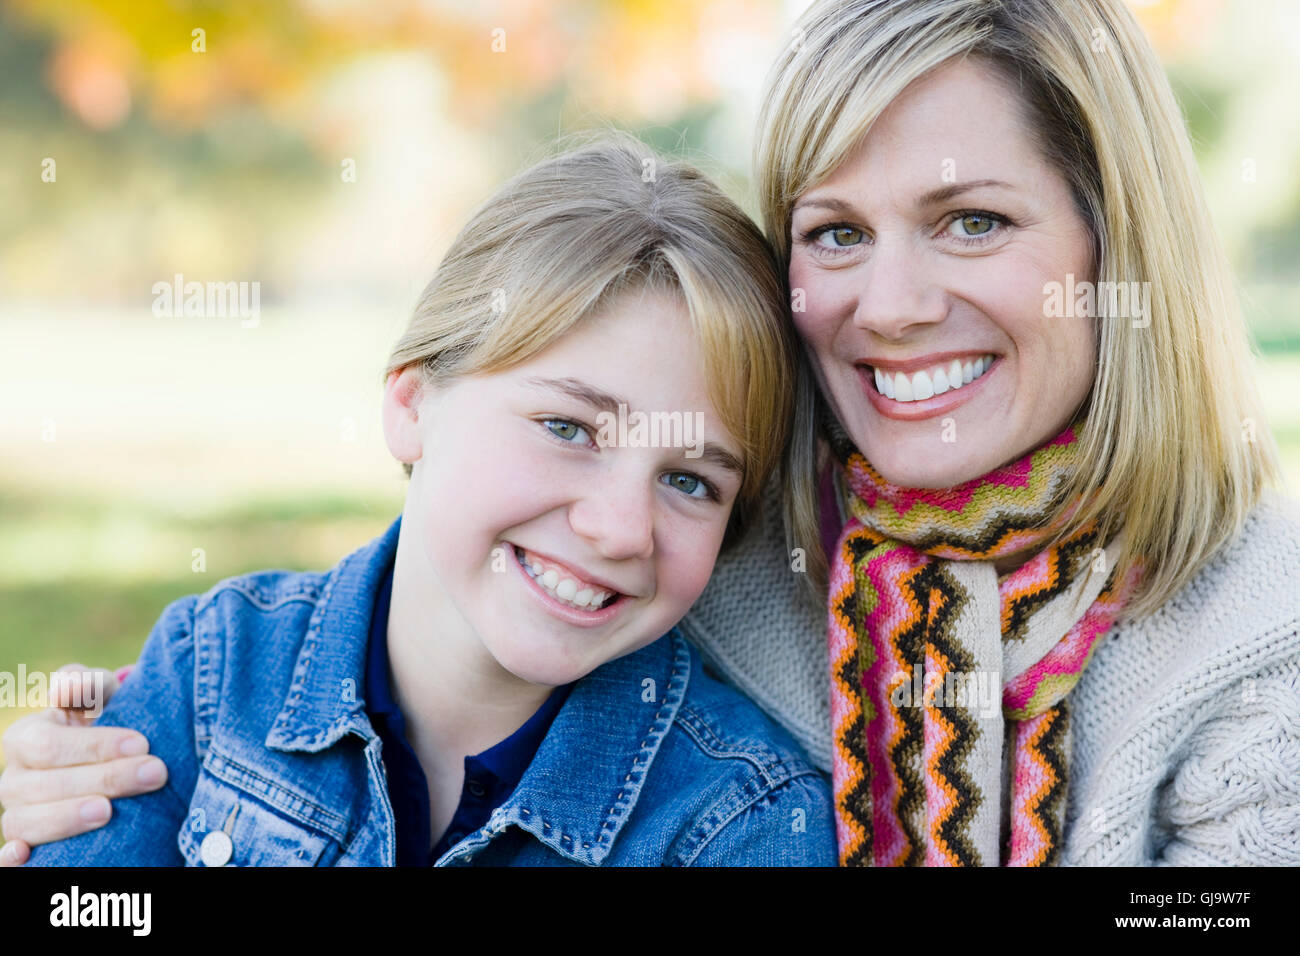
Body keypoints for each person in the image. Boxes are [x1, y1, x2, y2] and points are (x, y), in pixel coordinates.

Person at [5, 0, 1299, 868]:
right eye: (838, 232)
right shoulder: (712, 561)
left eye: (974, 222)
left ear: (1113, 242)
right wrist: (63, 767)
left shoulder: (1255, 657)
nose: (892, 309)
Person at [4, 136, 837, 866]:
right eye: (569, 427)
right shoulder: (213, 671)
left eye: (690, 481)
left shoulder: (739, 822)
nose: (621, 530)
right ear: (412, 406)